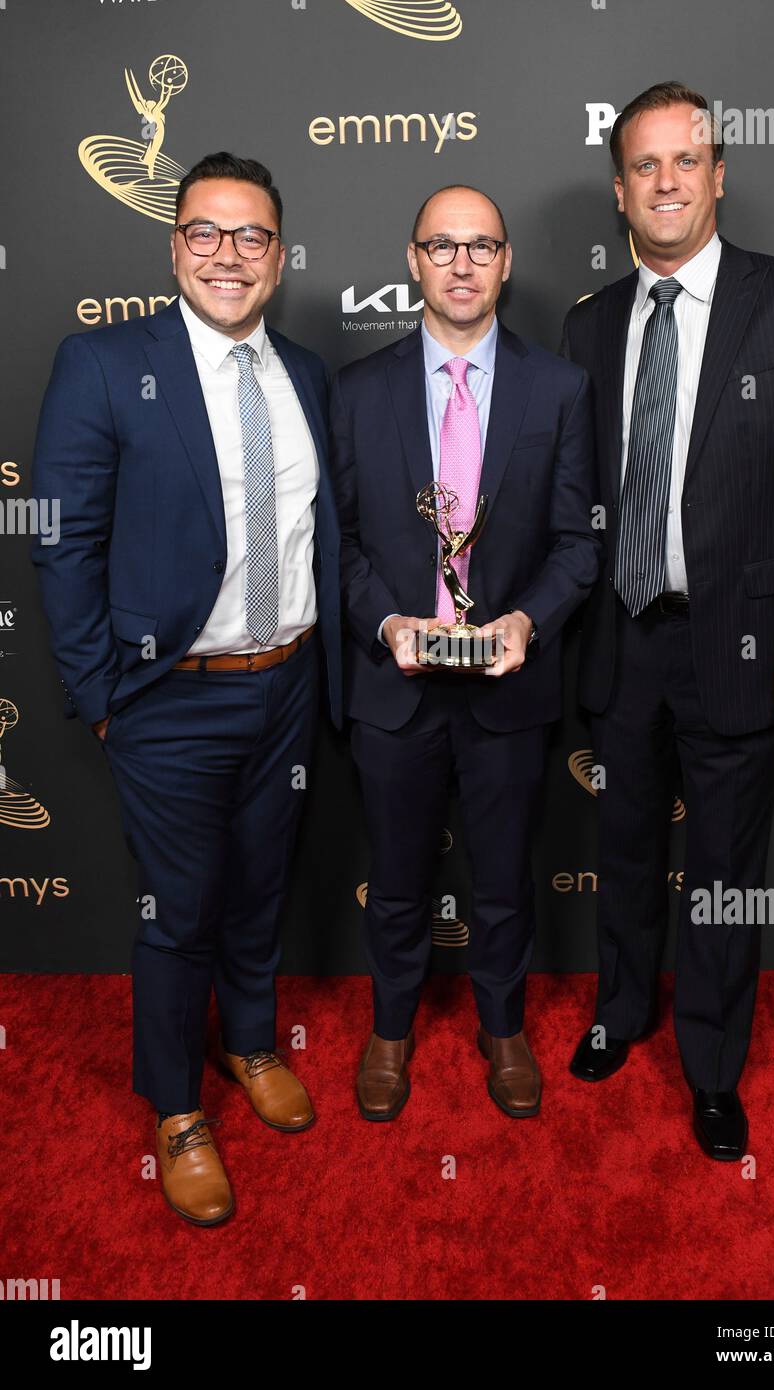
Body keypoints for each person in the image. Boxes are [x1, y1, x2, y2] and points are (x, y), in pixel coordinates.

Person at [32, 152, 341, 1223]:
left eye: (250, 236)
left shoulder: (304, 373)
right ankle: (175, 1105)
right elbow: (62, 544)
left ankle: (250, 1043)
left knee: (262, 888)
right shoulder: (108, 363)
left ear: (279, 256)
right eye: (205, 232)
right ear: (173, 247)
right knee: (179, 911)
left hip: (289, 685)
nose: (228, 254)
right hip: (170, 697)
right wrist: (103, 689)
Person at [561, 83, 774, 1160]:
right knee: (627, 848)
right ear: (618, 190)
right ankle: (618, 1008)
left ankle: (709, 1062)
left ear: (718, 173)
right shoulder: (589, 325)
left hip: (742, 641)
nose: (664, 182)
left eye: (684, 161)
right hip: (619, 641)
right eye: (643, 166)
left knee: (728, 872)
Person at [331, 185, 601, 1121]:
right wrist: (386, 624)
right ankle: (391, 1028)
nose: (460, 264)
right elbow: (345, 543)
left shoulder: (557, 388)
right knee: (397, 878)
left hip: (508, 687)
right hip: (393, 689)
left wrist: (527, 622)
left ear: (506, 262)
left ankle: (503, 1026)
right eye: (440, 247)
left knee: (503, 877)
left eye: (479, 246)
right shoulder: (357, 390)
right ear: (412, 261)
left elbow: (578, 543)